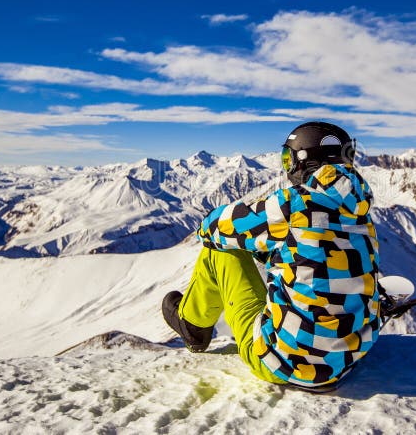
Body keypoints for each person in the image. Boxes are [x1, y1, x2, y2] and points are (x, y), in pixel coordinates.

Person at [162, 121, 380, 389]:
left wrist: (208, 226)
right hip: (346, 361)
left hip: (285, 363)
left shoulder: (294, 204)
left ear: (302, 160)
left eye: (288, 158)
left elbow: (219, 228)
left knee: (219, 251)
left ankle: (193, 326)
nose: (286, 166)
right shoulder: (361, 212)